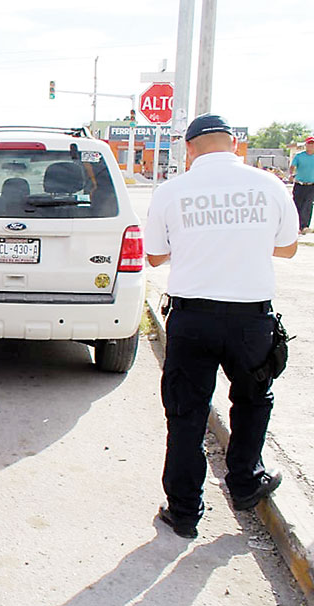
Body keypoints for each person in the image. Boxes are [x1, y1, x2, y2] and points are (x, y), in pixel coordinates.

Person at [144, 113, 299, 539]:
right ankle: (246, 484)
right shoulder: (268, 185)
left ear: (189, 148)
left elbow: (155, 257)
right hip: (251, 318)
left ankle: (183, 512)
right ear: (233, 144)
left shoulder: (173, 191)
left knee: (186, 412)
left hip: (193, 318)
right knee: (253, 400)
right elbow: (287, 249)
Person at [290, 136, 314, 234]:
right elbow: (292, 166)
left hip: (311, 185)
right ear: (306, 145)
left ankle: (304, 226)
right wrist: (291, 174)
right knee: (297, 204)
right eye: (309, 144)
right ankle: (296, 226)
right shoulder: (299, 156)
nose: (311, 146)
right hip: (299, 184)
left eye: (313, 144)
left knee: (308, 204)